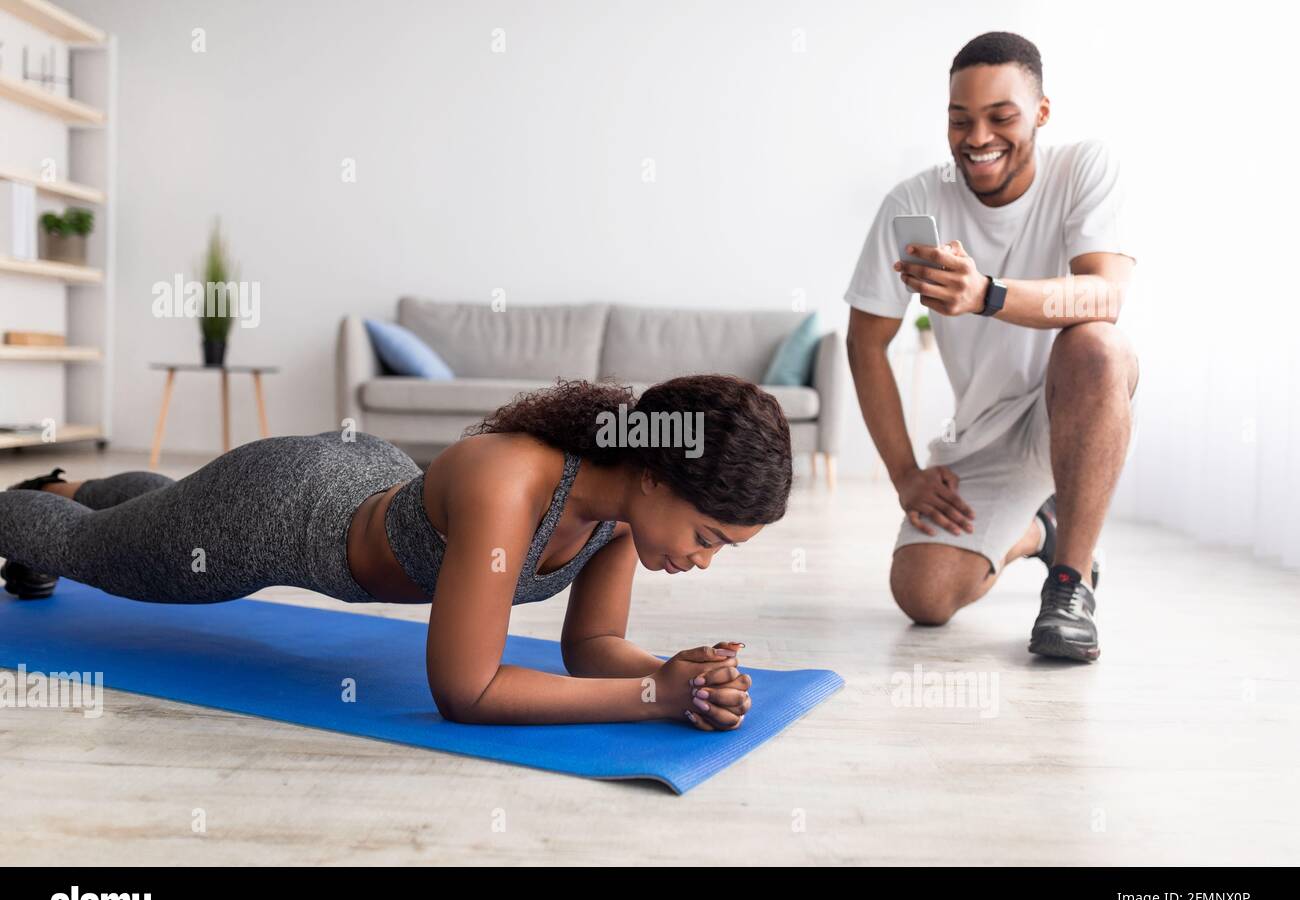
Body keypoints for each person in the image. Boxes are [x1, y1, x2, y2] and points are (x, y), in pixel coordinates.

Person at [0, 375, 792, 726]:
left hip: (363, 477)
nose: (702, 560)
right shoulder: (511, 484)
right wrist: (653, 701)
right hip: (280, 512)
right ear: (655, 475)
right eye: (707, 537)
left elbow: (589, 649)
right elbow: (468, 692)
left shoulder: (623, 515)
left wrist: (674, 675)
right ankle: (28, 509)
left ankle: (80, 489)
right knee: (103, 558)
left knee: (157, 517)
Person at [844, 31, 1139, 661]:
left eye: (1001, 117)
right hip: (987, 433)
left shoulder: (1085, 167)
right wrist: (904, 476)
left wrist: (987, 295)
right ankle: (1043, 530)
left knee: (1099, 346)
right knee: (922, 597)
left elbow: (1103, 296)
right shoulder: (914, 201)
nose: (978, 137)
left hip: (1073, 406)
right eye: (960, 120)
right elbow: (866, 342)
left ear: (1040, 113)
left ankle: (1071, 583)